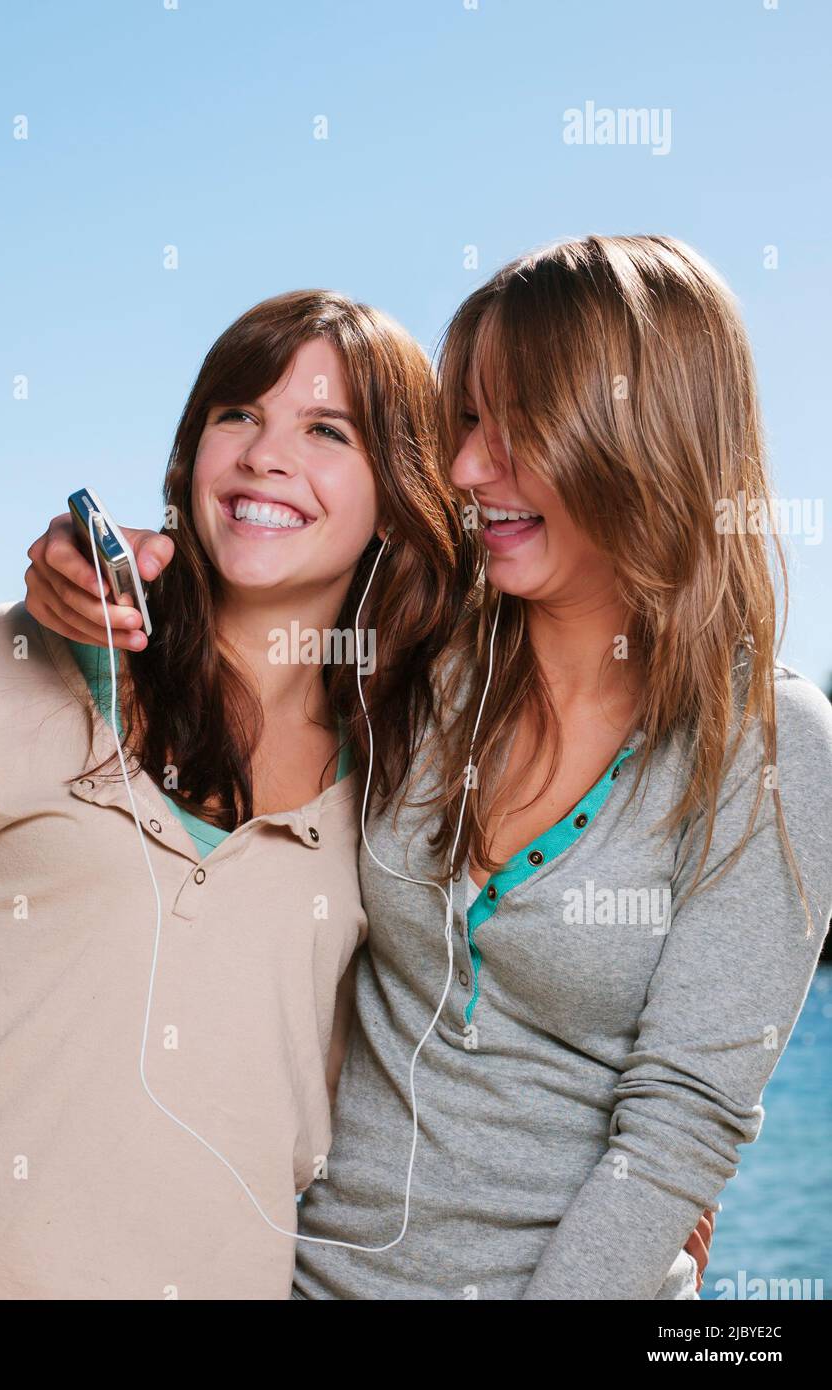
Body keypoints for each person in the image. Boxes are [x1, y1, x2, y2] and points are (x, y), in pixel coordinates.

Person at [0, 290, 469, 1299]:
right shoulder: (4, 661)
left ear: (396, 492)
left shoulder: (405, 775)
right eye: (235, 413)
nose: (262, 454)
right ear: (189, 453)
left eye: (325, 429)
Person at [290, 235, 832, 1299]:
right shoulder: (417, 645)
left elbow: (681, 1123)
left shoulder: (770, 742)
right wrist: (92, 580)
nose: (464, 469)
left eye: (515, 426)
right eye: (465, 421)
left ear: (646, 430)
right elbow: (220, 642)